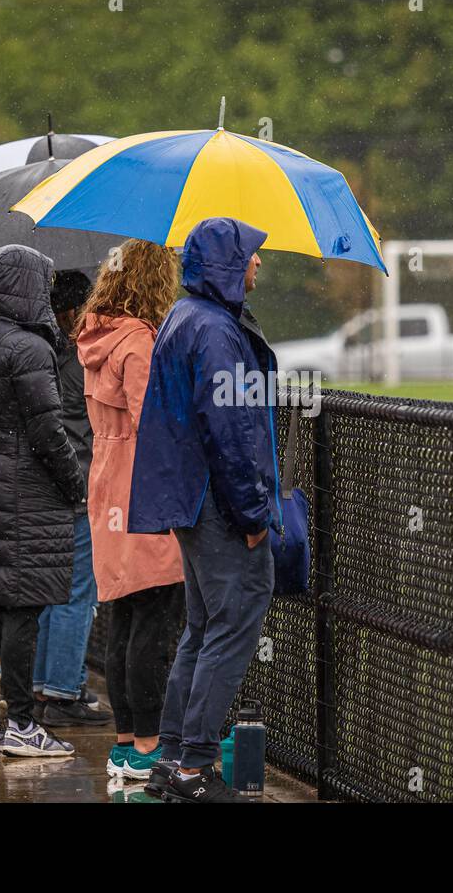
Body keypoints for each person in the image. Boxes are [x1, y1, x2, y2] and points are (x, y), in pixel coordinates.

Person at [129, 217, 277, 803]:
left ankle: (171, 758)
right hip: (220, 505)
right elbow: (232, 431)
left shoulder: (186, 316)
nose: (259, 263)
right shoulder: (215, 329)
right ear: (227, 264)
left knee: (200, 628)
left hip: (191, 502)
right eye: (251, 254)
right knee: (232, 626)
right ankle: (193, 767)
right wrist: (252, 514)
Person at [0, 245, 85, 757]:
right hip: (27, 490)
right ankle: (23, 724)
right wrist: (76, 484)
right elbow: (48, 431)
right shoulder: (31, 349)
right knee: (24, 607)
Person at [76, 243, 187, 781]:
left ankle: (124, 741)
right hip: (142, 484)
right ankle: (147, 743)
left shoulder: (95, 336)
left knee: (123, 611)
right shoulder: (139, 341)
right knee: (154, 615)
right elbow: (156, 422)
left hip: (106, 477)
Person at [31, 270, 111, 728]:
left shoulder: (43, 353)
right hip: (80, 485)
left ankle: (45, 686)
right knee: (77, 593)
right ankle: (63, 692)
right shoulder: (82, 357)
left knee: (50, 591)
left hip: (48, 488)